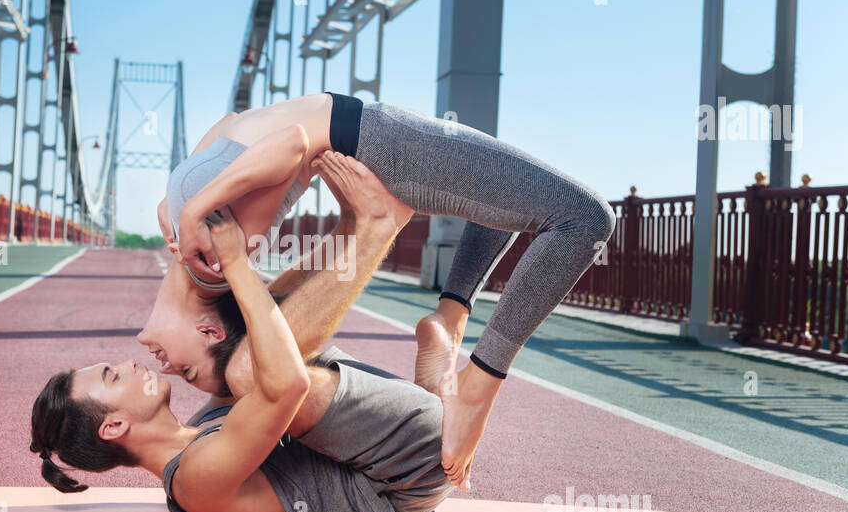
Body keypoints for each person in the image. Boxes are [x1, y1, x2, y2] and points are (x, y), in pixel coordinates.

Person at [151, 92, 616, 489]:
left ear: (210, 330)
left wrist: (195, 212)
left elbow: (292, 143)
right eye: (186, 372)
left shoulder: (198, 245)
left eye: (189, 371)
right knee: (575, 217)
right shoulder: (192, 235)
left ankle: (462, 359)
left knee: (575, 217)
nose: (166, 366)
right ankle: (459, 346)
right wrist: (192, 210)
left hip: (379, 140)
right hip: (375, 140)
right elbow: (245, 128)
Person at [30, 207, 452, 512]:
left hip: (389, 453)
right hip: (404, 477)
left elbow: (244, 316)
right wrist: (235, 264)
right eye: (113, 376)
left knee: (236, 350)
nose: (129, 363)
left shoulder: (199, 429)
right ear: (114, 426)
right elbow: (286, 387)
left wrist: (183, 217)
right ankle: (380, 224)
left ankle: (362, 230)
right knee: (252, 373)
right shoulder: (192, 480)